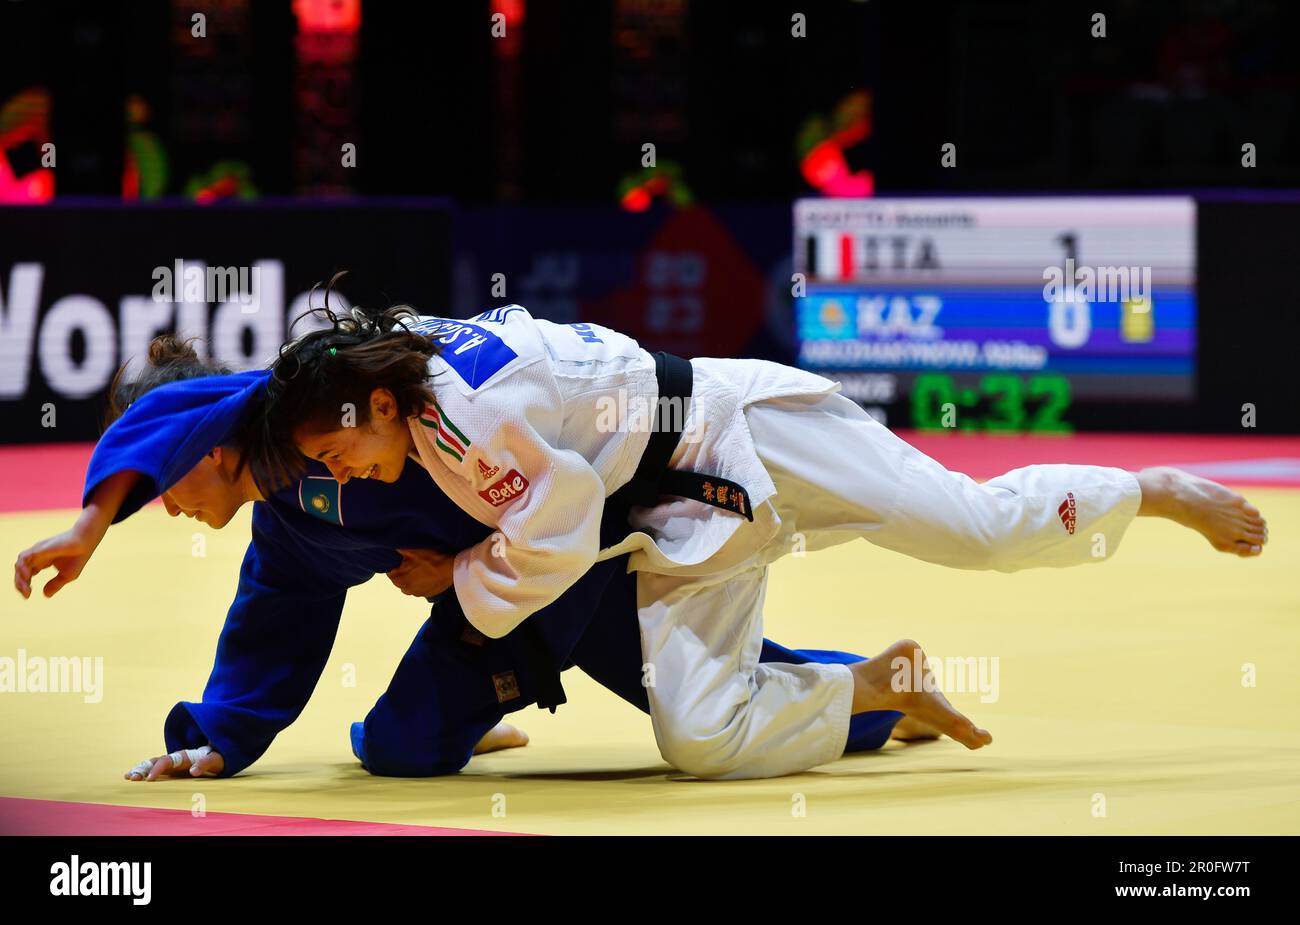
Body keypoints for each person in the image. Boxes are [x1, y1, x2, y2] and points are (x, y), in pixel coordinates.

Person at [257, 301, 1269, 780]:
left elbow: (558, 540)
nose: (334, 473)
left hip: (749, 431)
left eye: (331, 449)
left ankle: (1147, 490)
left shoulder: (467, 419)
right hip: (680, 519)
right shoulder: (410, 371)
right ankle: (878, 685)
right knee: (701, 740)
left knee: (978, 529)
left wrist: (458, 575)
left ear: (376, 404)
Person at [13, 337, 907, 781]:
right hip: (512, 586)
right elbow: (275, 619)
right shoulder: (286, 515)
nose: (162, 506)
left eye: (157, 485)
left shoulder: (321, 414)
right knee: (396, 744)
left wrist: (91, 523)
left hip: (569, 553)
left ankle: (874, 693)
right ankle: (880, 691)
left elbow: (537, 504)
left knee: (691, 703)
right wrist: (220, 735)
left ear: (201, 443)